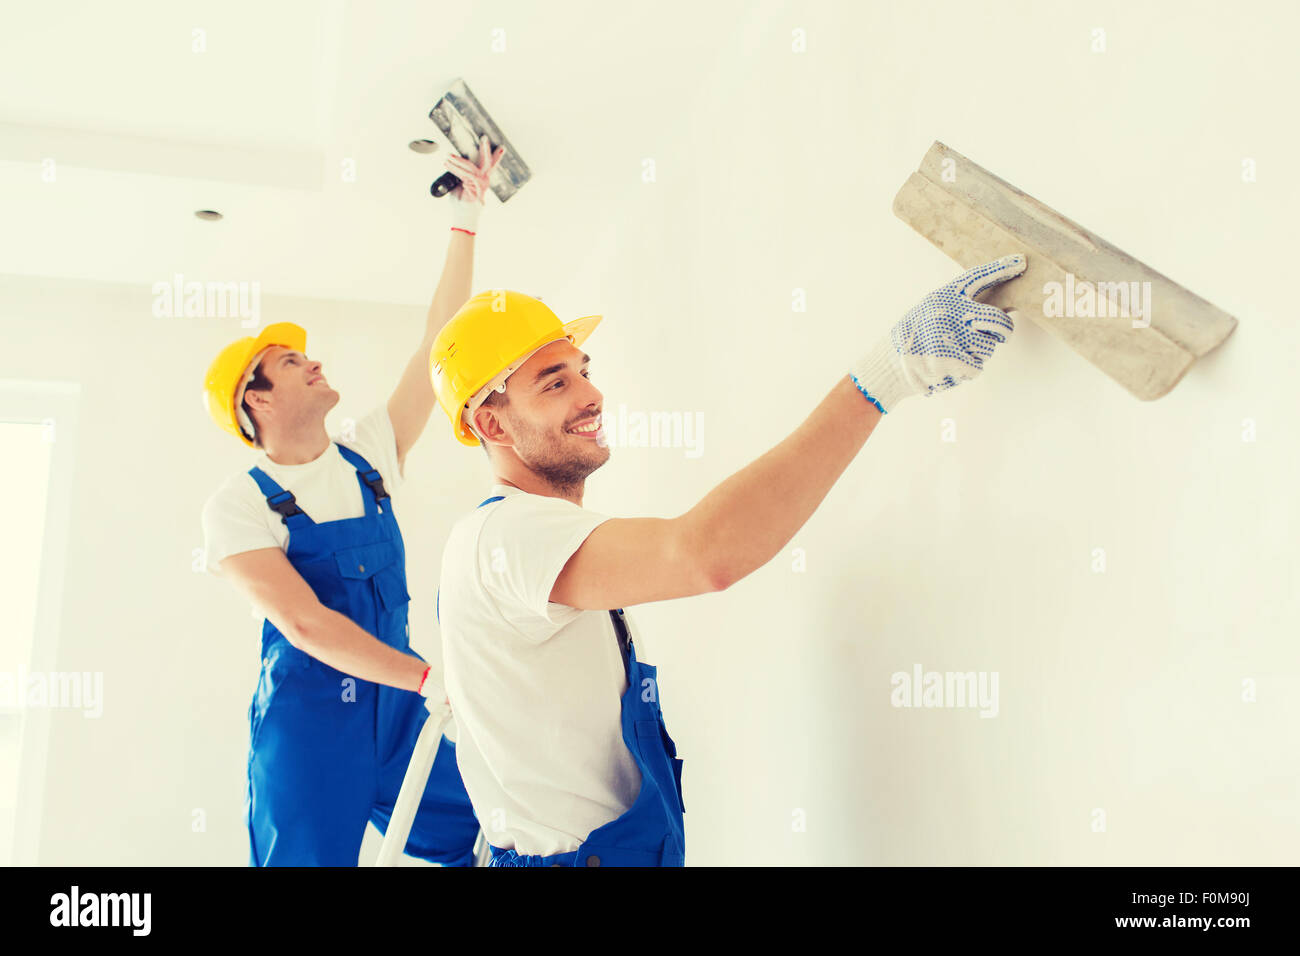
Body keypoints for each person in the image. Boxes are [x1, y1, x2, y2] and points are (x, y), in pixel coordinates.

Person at [429, 254, 1027, 866]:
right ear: (492, 425)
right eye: (555, 383)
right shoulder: (505, 534)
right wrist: (886, 374)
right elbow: (704, 553)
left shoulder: (516, 538)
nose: (592, 395)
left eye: (584, 371)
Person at [200, 138, 505, 866]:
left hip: (399, 715)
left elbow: (437, 344)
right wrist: (429, 679)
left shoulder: (370, 456)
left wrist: (466, 217)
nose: (314, 363)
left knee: (494, 835)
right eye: (290, 363)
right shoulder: (238, 507)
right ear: (255, 401)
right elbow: (304, 623)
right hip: (310, 731)